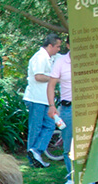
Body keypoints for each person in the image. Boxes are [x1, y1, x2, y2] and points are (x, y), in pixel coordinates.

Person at [46, 41, 97, 184]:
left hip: (86, 107)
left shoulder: (88, 60)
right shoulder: (61, 62)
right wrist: (52, 106)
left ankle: (89, 179)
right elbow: (51, 85)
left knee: (87, 143)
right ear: (68, 45)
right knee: (68, 145)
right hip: (67, 108)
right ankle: (72, 176)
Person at [24, 33, 62, 169]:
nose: (59, 49)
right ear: (50, 45)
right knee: (36, 127)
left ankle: (36, 151)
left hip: (45, 99)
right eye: (57, 46)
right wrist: (54, 79)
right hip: (36, 98)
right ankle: (33, 158)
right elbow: (39, 76)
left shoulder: (50, 57)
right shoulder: (40, 58)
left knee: (50, 125)